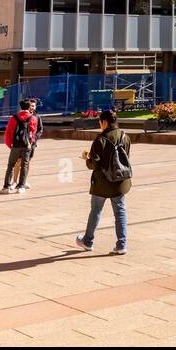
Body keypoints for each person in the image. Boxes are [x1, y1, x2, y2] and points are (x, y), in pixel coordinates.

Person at [74, 109, 132, 255]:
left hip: (102, 183)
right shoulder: (125, 136)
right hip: (120, 181)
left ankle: (88, 241)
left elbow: (94, 164)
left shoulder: (100, 139)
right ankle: (121, 245)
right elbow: (126, 157)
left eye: (100, 122)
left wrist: (87, 158)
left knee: (96, 211)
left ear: (104, 122)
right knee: (120, 212)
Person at [0, 101, 38, 194]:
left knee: (11, 166)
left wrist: (10, 145)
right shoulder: (33, 118)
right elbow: (33, 133)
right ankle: (21, 187)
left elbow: (8, 133)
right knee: (24, 165)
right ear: (29, 107)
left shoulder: (13, 118)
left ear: (20, 107)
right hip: (26, 146)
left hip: (15, 145)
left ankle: (6, 187)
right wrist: (30, 143)